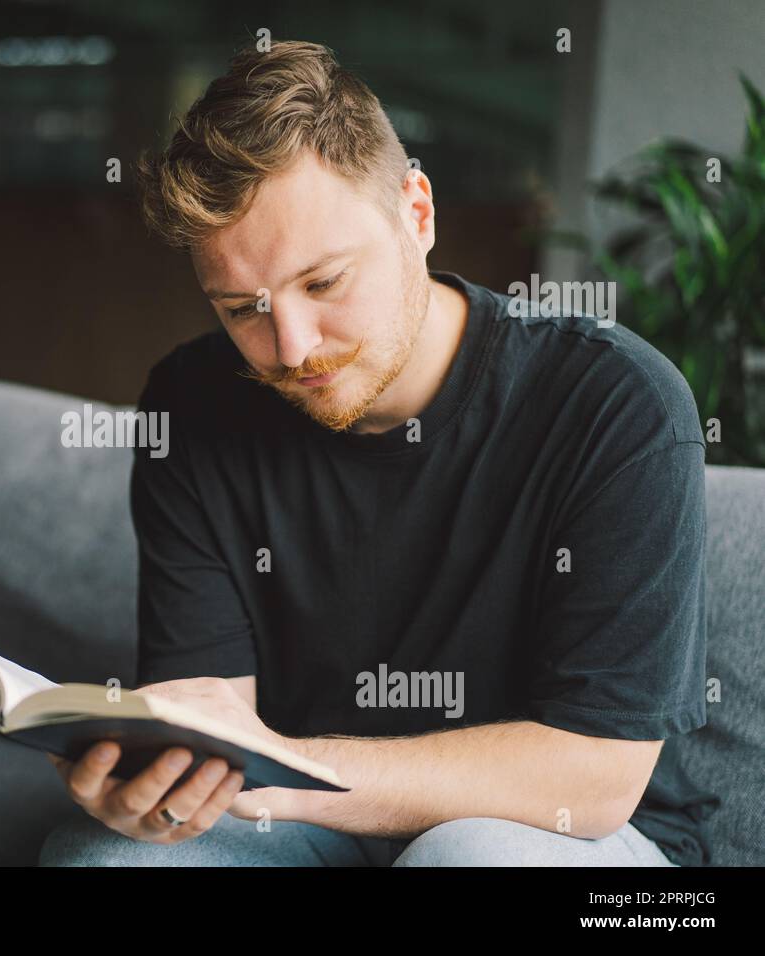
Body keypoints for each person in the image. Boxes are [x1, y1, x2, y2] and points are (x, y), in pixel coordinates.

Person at [40, 40, 718, 866]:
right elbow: (216, 708)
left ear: (417, 212)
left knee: (467, 857)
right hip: (306, 819)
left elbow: (597, 777)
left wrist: (288, 773)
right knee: (108, 858)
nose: (290, 349)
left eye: (323, 283)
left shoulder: (617, 402)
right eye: (241, 308)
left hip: (570, 831)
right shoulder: (192, 403)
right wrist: (169, 783)